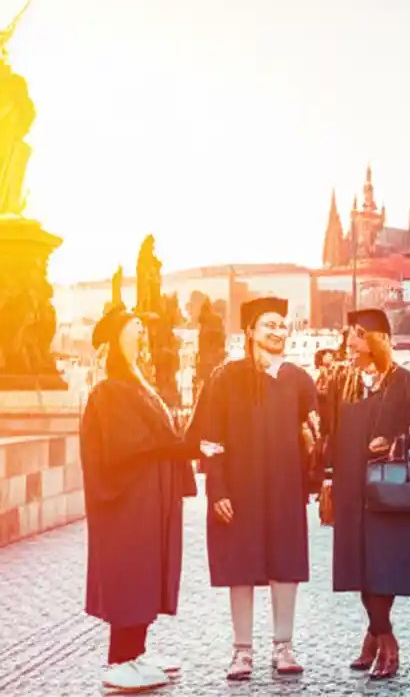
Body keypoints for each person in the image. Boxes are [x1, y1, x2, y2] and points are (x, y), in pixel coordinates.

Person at [191, 296, 319, 680]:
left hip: (285, 487)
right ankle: (241, 651)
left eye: (282, 325)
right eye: (269, 325)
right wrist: (218, 489)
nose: (278, 331)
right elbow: (209, 438)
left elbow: (314, 436)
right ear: (250, 331)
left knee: (286, 564)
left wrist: (315, 459)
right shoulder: (225, 378)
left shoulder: (299, 379)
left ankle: (284, 645)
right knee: (240, 566)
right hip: (239, 488)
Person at [80, 306, 197, 691]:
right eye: (134, 328)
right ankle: (119, 659)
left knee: (147, 572)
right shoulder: (111, 389)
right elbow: (127, 445)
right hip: (128, 501)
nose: (142, 334)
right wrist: (180, 447)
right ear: (117, 338)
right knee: (131, 574)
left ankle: (137, 653)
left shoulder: (136, 383)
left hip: (149, 496)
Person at [323, 309, 410, 680]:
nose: (350, 343)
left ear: (378, 340)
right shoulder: (343, 381)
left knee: (384, 570)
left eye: (357, 335)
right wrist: (326, 477)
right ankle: (380, 635)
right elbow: (329, 433)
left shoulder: (406, 383)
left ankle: (382, 641)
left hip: (390, 491)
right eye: (349, 335)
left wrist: (396, 440)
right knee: (360, 568)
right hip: (353, 488)